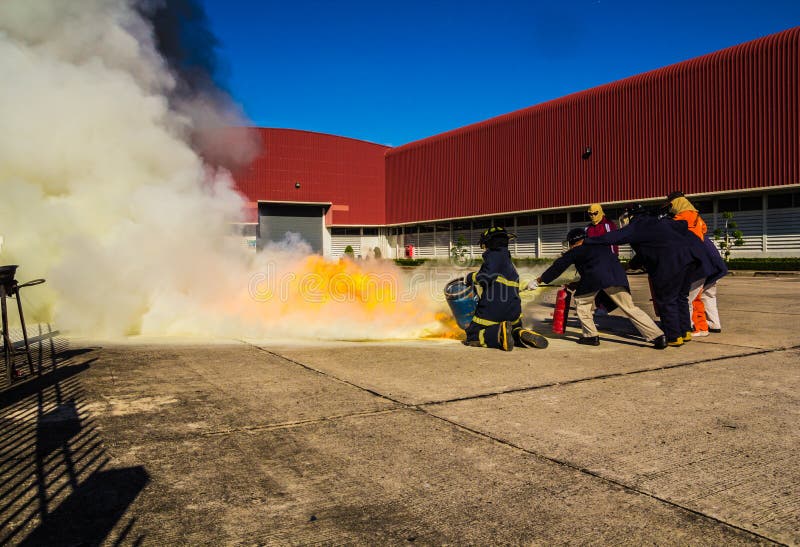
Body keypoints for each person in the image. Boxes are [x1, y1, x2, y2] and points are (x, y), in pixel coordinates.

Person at [582, 204, 709, 346]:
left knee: (667, 299)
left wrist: (587, 241)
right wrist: (632, 265)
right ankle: (684, 332)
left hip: (671, 262)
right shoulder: (660, 223)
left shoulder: (639, 225)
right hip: (691, 260)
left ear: (632, 216)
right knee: (681, 297)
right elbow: (646, 252)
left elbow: (614, 237)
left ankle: (674, 336)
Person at [533, 228, 666, 348]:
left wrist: (539, 280)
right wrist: (578, 284)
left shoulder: (577, 249)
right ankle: (658, 336)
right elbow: (597, 268)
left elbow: (558, 266)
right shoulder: (599, 244)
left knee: (582, 304)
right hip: (617, 277)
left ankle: (591, 336)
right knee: (630, 308)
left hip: (597, 279)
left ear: (573, 241)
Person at [463, 227, 548, 351]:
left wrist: (470, 277)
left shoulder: (493, 255)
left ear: (489, 243)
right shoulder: (508, 262)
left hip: (494, 308)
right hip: (514, 311)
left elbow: (486, 277)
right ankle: (519, 333)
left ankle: (499, 334)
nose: (485, 248)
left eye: (485, 245)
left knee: (473, 334)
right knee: (512, 328)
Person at [665, 191, 726, 336]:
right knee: (708, 295)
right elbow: (703, 231)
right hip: (714, 264)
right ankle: (714, 324)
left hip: (699, 265)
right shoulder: (697, 218)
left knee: (689, 297)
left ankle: (695, 327)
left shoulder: (681, 219)